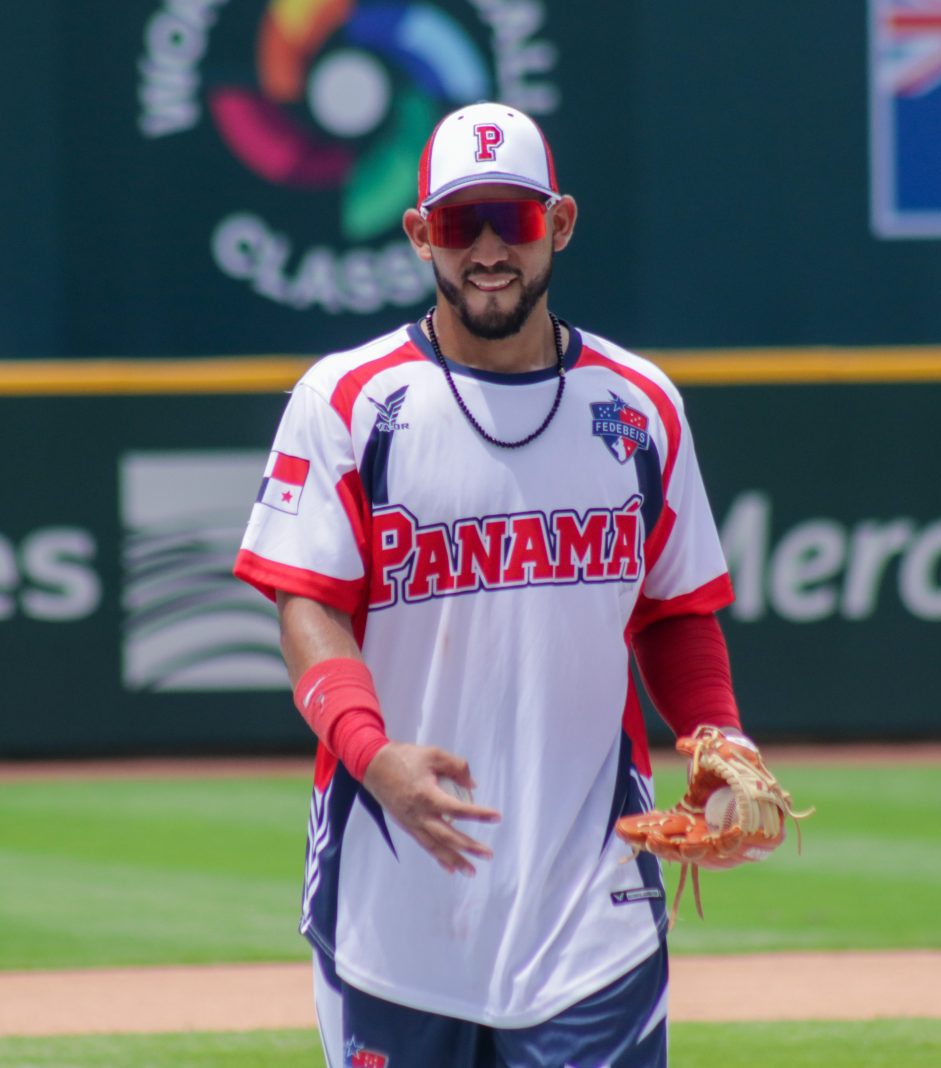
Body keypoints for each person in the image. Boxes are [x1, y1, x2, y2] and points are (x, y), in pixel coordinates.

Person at [234, 101, 750, 1068]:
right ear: (420, 231)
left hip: (590, 907)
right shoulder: (349, 400)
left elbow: (677, 612)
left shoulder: (640, 406)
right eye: (459, 222)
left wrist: (716, 737)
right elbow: (307, 607)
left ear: (557, 223)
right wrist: (370, 751)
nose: (486, 249)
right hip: (395, 901)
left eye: (510, 219)